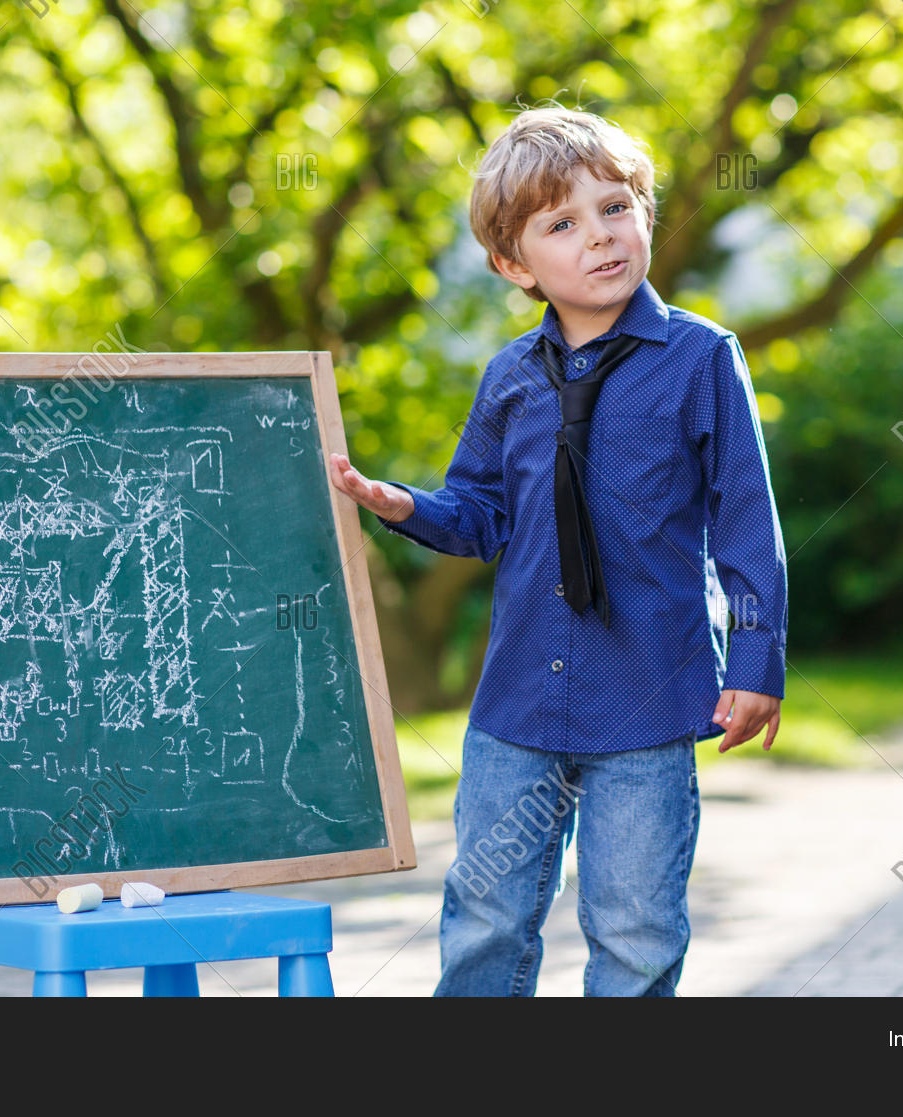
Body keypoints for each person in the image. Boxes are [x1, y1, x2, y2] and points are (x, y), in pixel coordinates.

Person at [328, 106, 788, 996]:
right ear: (514, 264)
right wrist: (403, 505)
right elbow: (481, 513)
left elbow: (746, 523)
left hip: (648, 699)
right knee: (484, 921)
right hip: (517, 706)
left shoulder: (701, 359)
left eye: (617, 208)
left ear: (647, 213)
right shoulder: (509, 376)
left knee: (637, 930)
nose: (601, 237)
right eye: (563, 224)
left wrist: (759, 659)